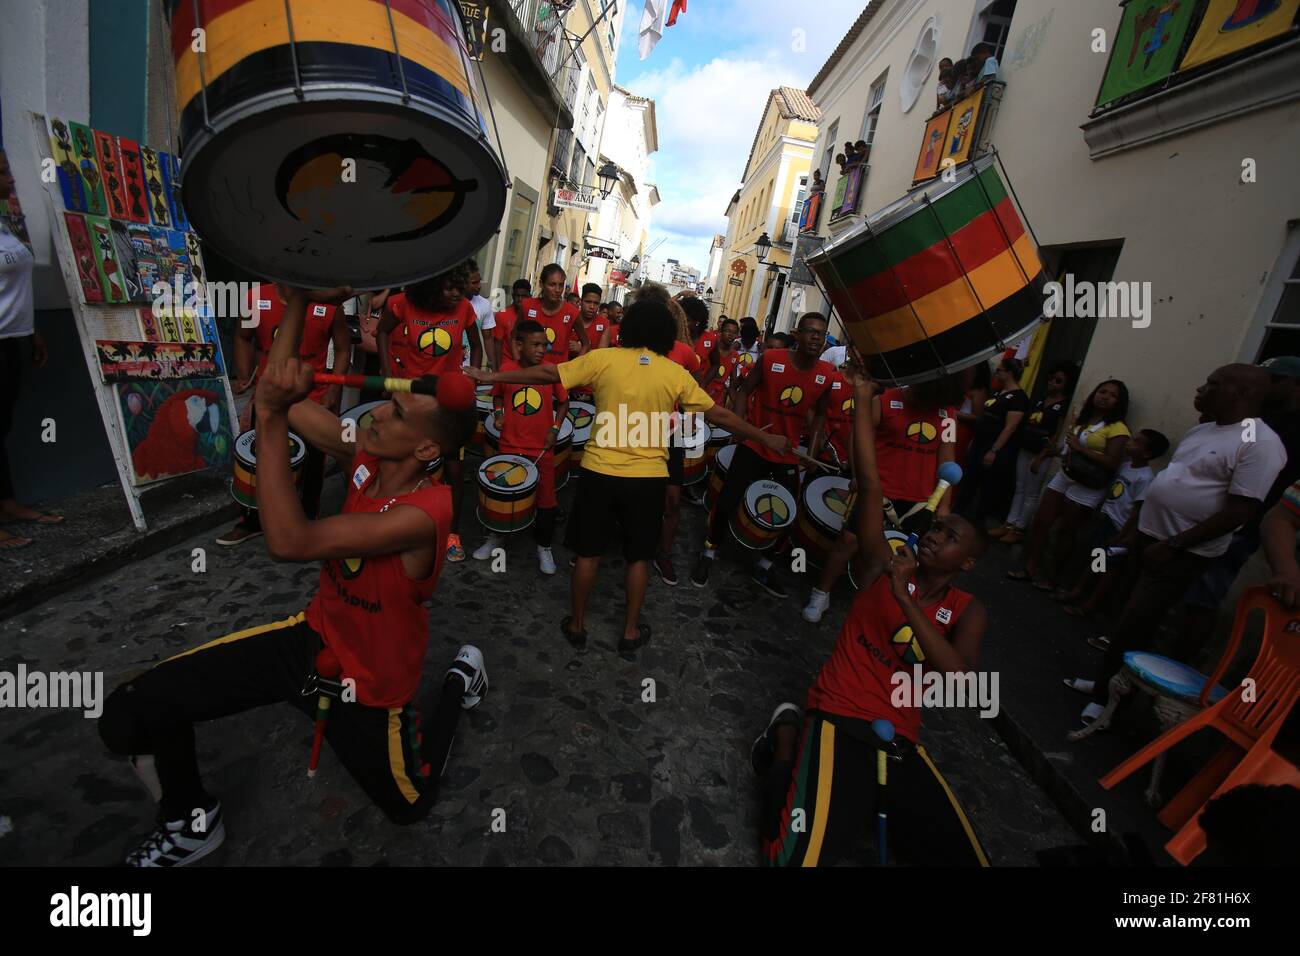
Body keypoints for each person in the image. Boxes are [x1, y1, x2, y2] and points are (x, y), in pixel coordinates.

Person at [98, 286, 486, 866]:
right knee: (135, 709)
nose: (375, 411)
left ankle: (459, 681)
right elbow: (277, 391)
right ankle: (189, 819)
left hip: (371, 687)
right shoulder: (371, 453)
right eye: (388, 402)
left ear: (429, 446)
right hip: (312, 641)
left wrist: (275, 412)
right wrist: (299, 304)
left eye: (396, 412)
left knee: (409, 806)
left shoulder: (425, 512)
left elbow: (289, 541)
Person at [755, 367, 991, 867]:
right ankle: (786, 742)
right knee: (789, 862)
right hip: (839, 714)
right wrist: (863, 401)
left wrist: (908, 601)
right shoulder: (885, 564)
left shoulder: (969, 612)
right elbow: (868, 479)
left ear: (967, 565)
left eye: (948, 536)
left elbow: (961, 682)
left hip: (900, 736)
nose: (933, 535)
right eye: (936, 528)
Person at [467, 296, 787, 654]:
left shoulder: (604, 360)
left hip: (598, 473)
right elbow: (720, 416)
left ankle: (576, 624)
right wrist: (764, 436)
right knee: (638, 557)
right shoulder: (674, 373)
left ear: (629, 326)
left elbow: (548, 373)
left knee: (588, 553)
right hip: (648, 479)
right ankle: (630, 631)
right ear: (667, 333)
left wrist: (492, 375)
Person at [1064, 365, 1286, 727]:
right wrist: (1140, 531)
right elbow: (1176, 480)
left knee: (1138, 621)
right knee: (1124, 616)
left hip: (1181, 551)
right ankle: (1106, 684)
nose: (1202, 388)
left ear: (1241, 393)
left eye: (1213, 384)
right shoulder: (1205, 429)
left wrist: (1175, 544)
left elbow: (1240, 511)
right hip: (1148, 538)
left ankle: (1110, 703)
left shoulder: (1260, 443)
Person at [802, 370, 967, 623]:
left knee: (905, 558)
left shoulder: (947, 414)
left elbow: (947, 457)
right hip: (877, 494)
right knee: (847, 542)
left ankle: (877, 608)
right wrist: (858, 475)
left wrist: (943, 506)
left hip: (920, 502)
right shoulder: (887, 400)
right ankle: (820, 593)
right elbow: (859, 439)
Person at [691, 313, 836, 598]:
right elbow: (744, 391)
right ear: (797, 333)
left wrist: (814, 449)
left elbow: (819, 416)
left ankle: (765, 564)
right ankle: (709, 552)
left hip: (787, 453)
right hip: (755, 444)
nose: (816, 338)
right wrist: (740, 426)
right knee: (728, 500)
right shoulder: (771, 360)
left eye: (821, 333)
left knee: (789, 515)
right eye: (810, 332)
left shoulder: (827, 375)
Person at [1172, 356, 1300, 662]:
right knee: (1186, 594)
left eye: (1275, 380)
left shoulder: (1283, 431)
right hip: (1207, 520)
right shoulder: (1262, 419)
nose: (1267, 385)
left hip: (1241, 527)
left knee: (1204, 597)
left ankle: (1178, 668)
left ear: (1295, 385)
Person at [217, 282, 350, 547]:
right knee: (260, 460)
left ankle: (307, 521)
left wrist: (335, 389)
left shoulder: (328, 303)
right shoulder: (255, 297)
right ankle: (252, 522)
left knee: (312, 465)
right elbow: (243, 337)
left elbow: (343, 347)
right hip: (272, 395)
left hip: (313, 397)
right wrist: (245, 376)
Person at [378, 266, 481, 562]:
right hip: (411, 398)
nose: (457, 293)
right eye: (450, 287)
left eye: (460, 287)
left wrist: (468, 380)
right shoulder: (402, 303)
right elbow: (383, 331)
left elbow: (476, 344)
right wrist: (387, 375)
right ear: (432, 285)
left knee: (454, 470)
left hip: (448, 401)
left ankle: (452, 534)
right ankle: (397, 529)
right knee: (405, 464)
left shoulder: (463, 308)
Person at [1008, 379, 1131, 589]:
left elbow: (1112, 462)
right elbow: (1069, 449)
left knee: (1066, 531)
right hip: (1067, 473)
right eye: (1102, 391)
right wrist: (1051, 452)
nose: (1105, 397)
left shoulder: (1118, 429)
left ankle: (1052, 577)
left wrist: (1081, 449)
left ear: (1119, 403)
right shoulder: (1084, 420)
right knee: (1042, 521)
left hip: (1088, 483)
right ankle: (1030, 567)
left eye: (1113, 395)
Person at [473, 319, 568, 573]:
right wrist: (499, 414)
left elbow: (564, 403)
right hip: (510, 446)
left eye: (544, 345)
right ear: (519, 345)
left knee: (547, 502)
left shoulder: (551, 371)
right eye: (535, 345)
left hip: (541, 450)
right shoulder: (507, 369)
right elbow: (496, 398)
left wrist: (555, 428)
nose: (541, 350)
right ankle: (495, 539)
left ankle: (544, 547)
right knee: (504, 496)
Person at [1053, 428, 1169, 619]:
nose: (1130, 442)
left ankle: (1091, 603)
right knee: (1098, 559)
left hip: (1118, 527)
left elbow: (1137, 511)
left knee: (1109, 567)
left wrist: (1123, 535)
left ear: (1147, 453)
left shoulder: (1145, 478)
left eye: (1137, 442)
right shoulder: (1125, 467)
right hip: (1106, 520)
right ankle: (1079, 591)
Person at [0, 160, 56, 551]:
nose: (11, 178)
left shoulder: (5, 225)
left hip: (12, 338)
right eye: (4, 171)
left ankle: (7, 503)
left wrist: (32, 329)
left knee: (1, 426)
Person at [993, 361, 1077, 545]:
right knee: (1020, 487)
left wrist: (1042, 455)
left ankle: (1020, 528)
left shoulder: (1063, 406)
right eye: (1051, 379)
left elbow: (1058, 433)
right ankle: (1009, 523)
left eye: (1058, 381)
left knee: (1031, 491)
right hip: (1026, 447)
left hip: (1042, 453)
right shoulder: (1040, 400)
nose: (1052, 383)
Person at [955, 358, 1027, 525]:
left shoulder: (1018, 398)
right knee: (968, 485)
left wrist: (994, 450)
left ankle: (976, 525)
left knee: (986, 490)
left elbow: (1010, 427)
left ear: (1009, 373)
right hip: (980, 444)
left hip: (994, 450)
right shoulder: (998, 393)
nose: (996, 373)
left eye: (1000, 370)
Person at [521, 264, 590, 365]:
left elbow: (586, 344)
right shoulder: (527, 306)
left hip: (556, 375)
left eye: (561, 285)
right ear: (541, 284)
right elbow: (514, 337)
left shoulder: (571, 312)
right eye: (552, 285)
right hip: (528, 372)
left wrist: (572, 368)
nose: (557, 290)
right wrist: (517, 363)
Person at [698, 316, 741, 407]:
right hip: (700, 396)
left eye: (734, 333)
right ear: (721, 332)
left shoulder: (735, 356)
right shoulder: (711, 348)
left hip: (717, 403)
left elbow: (732, 385)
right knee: (695, 421)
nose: (731, 335)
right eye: (728, 331)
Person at [492, 278, 531, 368]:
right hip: (508, 364)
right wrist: (498, 368)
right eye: (517, 296)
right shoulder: (502, 315)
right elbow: (497, 344)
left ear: (529, 296)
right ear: (513, 296)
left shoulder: (533, 315)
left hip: (528, 367)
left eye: (524, 296)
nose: (520, 299)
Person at [463, 259, 495, 370]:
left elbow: (488, 338)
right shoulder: (450, 303)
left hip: (470, 368)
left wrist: (494, 365)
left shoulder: (484, 305)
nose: (479, 286)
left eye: (479, 281)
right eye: (474, 283)